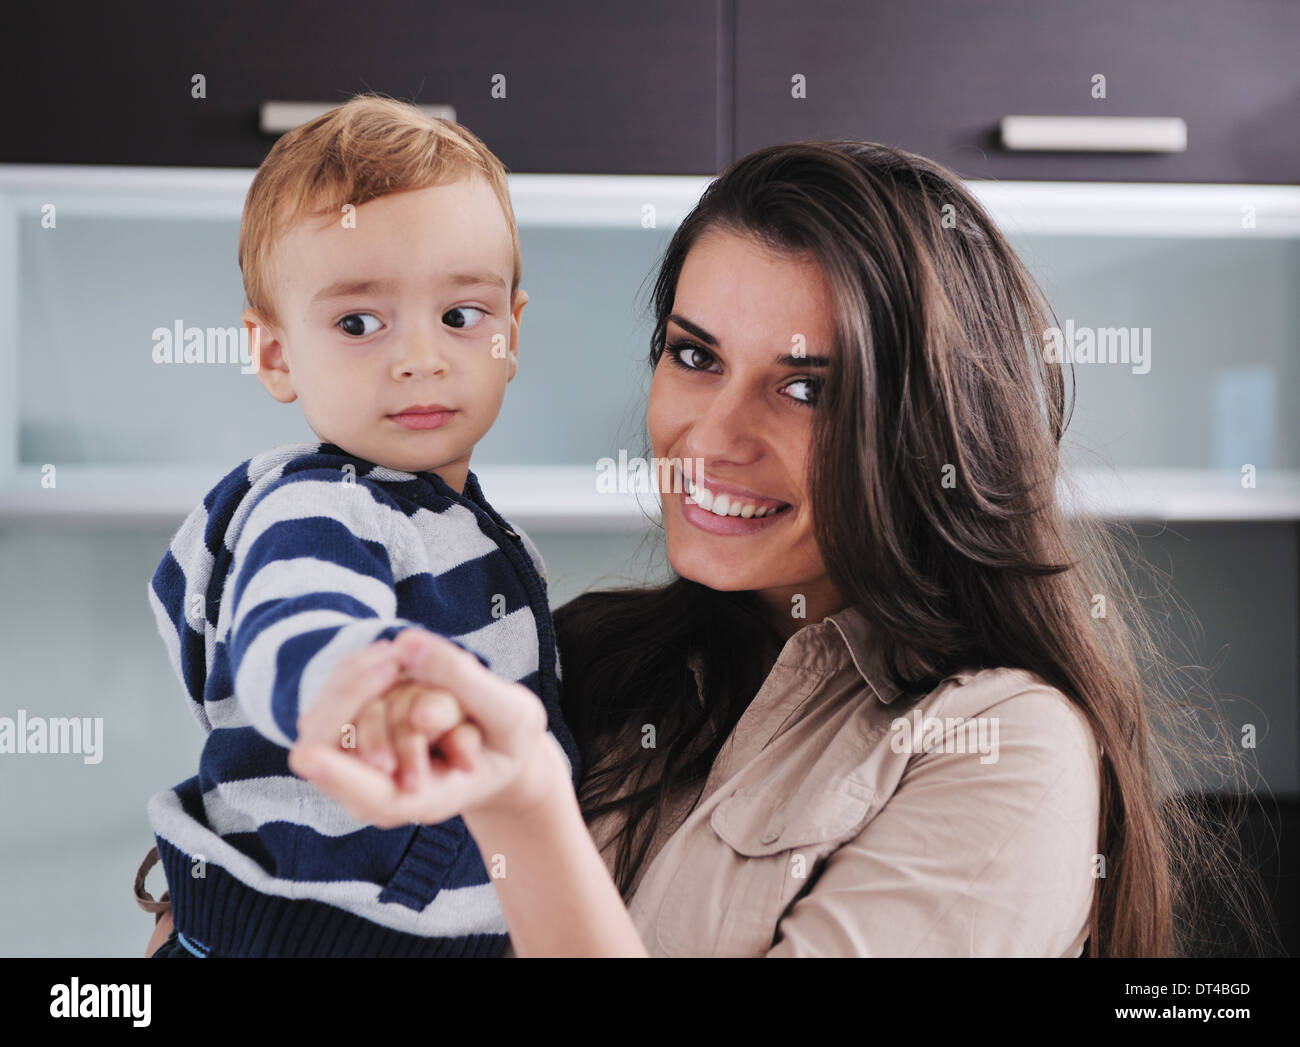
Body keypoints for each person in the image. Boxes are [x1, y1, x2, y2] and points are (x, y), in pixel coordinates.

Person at [292, 140, 1263, 957]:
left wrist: (525, 811)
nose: (711, 438)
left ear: (933, 433)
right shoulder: (581, 657)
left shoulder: (1004, 750)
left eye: (806, 388)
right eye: (694, 354)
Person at [134, 95, 581, 958]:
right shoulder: (322, 504)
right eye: (358, 323)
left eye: (461, 316)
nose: (422, 355)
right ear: (273, 353)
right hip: (311, 935)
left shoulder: (466, 525)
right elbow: (295, 621)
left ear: (511, 333)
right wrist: (359, 690)